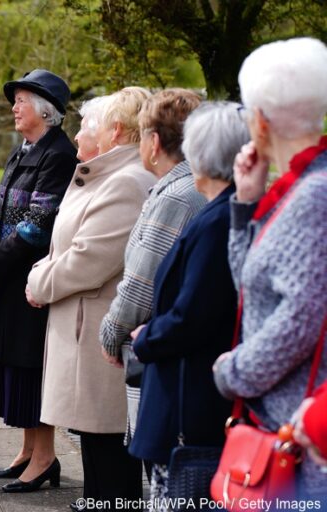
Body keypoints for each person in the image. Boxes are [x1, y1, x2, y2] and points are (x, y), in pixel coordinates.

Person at [26, 87, 155, 507]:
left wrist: (37, 282)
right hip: (85, 332)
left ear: (113, 132)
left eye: (84, 127)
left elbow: (88, 259)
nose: (77, 136)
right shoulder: (109, 176)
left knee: (110, 453)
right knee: (97, 449)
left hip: (99, 339)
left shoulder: (126, 183)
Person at [212, 37, 327, 499]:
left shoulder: (313, 197)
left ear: (258, 119)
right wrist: (245, 200)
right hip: (287, 429)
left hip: (300, 448)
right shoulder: (301, 188)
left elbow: (301, 316)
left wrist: (234, 372)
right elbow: (252, 283)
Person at [128, 102, 248, 505]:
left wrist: (146, 338)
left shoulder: (217, 223)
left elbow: (192, 315)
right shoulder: (218, 213)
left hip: (190, 397)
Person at [0, 69, 77, 492]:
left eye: (21, 100)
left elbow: (38, 223)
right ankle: (27, 450)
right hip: (10, 277)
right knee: (16, 365)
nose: (14, 107)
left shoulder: (58, 154)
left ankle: (45, 457)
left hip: (31, 279)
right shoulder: (25, 148)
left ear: (44, 110)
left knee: (33, 367)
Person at [99, 89, 205, 450]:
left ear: (154, 141)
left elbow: (142, 281)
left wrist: (112, 332)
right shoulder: (188, 186)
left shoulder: (176, 196)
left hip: (159, 350)